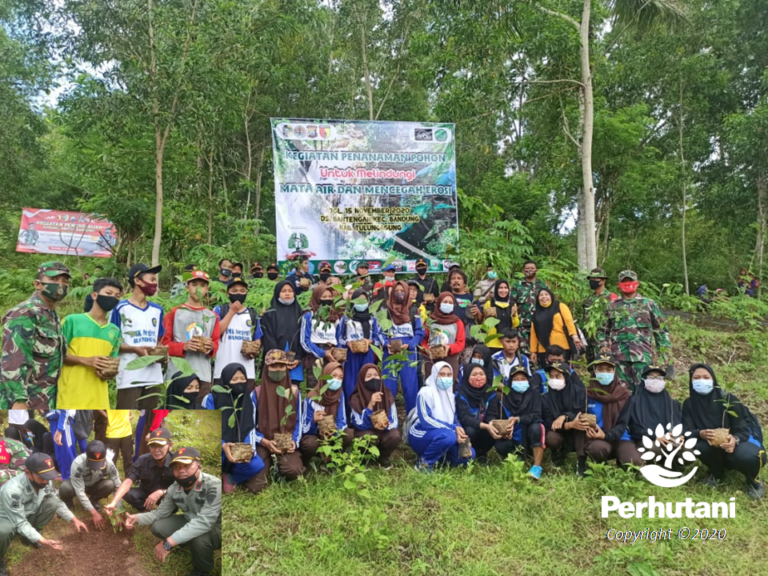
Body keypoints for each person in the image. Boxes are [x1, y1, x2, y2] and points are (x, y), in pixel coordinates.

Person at [124, 447, 221, 576]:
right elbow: (159, 513)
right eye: (176, 467)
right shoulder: (174, 488)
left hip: (216, 527)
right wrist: (136, 518)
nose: (181, 470)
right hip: (189, 520)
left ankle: (202, 570)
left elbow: (205, 522)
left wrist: (168, 543)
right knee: (158, 527)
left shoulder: (214, 485)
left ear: (199, 466)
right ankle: (184, 540)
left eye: (187, 465)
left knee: (200, 538)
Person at [683, 364, 766, 499]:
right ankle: (717, 473)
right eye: (696, 378)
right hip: (712, 446)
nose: (701, 381)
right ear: (691, 381)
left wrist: (734, 440)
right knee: (697, 445)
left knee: (747, 455)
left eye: (706, 377)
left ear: (713, 379)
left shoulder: (728, 400)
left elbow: (743, 429)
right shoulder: (689, 404)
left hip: (739, 444)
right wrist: (700, 433)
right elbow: (686, 431)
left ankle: (753, 482)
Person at [0, 452, 89, 573]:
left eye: (48, 477)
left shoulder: (45, 481)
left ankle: (30, 537)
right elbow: (19, 522)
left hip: (27, 514)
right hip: (8, 519)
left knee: (52, 503)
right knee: (3, 531)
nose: (46, 481)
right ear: (28, 473)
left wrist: (74, 519)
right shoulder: (12, 490)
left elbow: (57, 502)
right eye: (41, 477)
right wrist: (43, 540)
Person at [0, 262, 70, 410]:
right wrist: (19, 400)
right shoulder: (25, 312)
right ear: (38, 284)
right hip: (26, 401)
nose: (60, 285)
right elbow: (13, 361)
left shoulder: (51, 315)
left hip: (45, 399)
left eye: (65, 281)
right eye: (54, 280)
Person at [598, 270, 671, 391]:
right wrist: (604, 345)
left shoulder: (649, 304)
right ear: (619, 284)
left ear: (637, 283)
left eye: (630, 281)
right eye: (624, 282)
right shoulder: (612, 306)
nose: (628, 284)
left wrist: (663, 352)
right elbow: (602, 330)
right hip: (619, 357)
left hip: (642, 356)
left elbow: (661, 330)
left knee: (643, 390)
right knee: (621, 392)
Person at [58, 277, 122, 409]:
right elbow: (55, 355)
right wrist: (86, 360)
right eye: (108, 293)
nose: (113, 298)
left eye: (117, 296)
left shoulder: (114, 331)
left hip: (99, 399)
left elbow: (111, 362)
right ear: (94, 295)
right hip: (70, 395)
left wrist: (110, 372)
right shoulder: (72, 321)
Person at [246, 350, 305, 494]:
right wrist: (265, 442)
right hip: (264, 442)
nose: (278, 370)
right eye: (274, 367)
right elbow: (249, 426)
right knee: (255, 486)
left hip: (286, 441)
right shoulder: (256, 393)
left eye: (281, 366)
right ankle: (268, 463)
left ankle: (281, 465)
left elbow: (299, 422)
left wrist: (294, 442)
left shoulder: (294, 393)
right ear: (267, 369)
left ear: (286, 368)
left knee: (294, 470)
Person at [163, 270, 220, 406]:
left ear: (207, 289)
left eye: (202, 285)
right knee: (174, 413)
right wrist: (183, 346)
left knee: (199, 417)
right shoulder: (175, 312)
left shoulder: (212, 316)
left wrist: (211, 347)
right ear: (187, 287)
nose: (198, 289)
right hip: (177, 374)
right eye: (194, 284)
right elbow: (164, 344)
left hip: (202, 375)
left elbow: (216, 344)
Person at [112, 263, 165, 409]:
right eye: (152, 279)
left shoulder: (157, 310)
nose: (155, 283)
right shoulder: (120, 308)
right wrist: (136, 349)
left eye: (155, 280)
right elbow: (112, 342)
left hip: (153, 375)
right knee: (126, 412)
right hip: (130, 374)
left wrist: (161, 353)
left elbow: (159, 340)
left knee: (148, 415)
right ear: (137, 281)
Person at [207, 365, 265, 495]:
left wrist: (248, 449)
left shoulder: (248, 400)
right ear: (226, 381)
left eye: (242, 378)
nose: (239, 382)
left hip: (239, 447)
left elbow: (250, 427)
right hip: (219, 446)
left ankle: (231, 477)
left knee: (256, 464)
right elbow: (209, 428)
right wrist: (223, 445)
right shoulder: (212, 398)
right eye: (234, 379)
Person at [408, 362, 473, 471]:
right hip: (421, 433)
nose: (445, 378)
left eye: (449, 375)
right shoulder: (425, 392)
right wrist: (453, 429)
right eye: (441, 374)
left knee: (469, 455)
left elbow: (455, 420)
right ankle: (423, 464)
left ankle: (439, 459)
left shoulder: (451, 396)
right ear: (434, 375)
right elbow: (426, 420)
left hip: (444, 434)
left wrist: (462, 434)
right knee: (449, 437)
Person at [484, 366, 546, 479]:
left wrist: (518, 419)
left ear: (528, 380)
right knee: (501, 445)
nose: (520, 382)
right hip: (510, 436)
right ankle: (517, 459)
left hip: (528, 433)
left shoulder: (534, 394)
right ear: (510, 381)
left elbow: (537, 414)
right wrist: (500, 427)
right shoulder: (502, 397)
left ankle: (536, 466)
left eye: (523, 379)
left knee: (537, 428)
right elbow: (490, 416)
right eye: (516, 379)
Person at [583, 355, 637, 469]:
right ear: (594, 371)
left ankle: (621, 457)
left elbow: (623, 423)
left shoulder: (624, 395)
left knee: (634, 462)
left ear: (614, 372)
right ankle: (599, 464)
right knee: (597, 449)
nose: (604, 373)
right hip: (597, 437)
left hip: (620, 437)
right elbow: (584, 417)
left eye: (608, 370)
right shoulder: (588, 394)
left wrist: (607, 435)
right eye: (600, 369)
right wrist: (588, 431)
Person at [105, 427, 175, 513]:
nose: (156, 450)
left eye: (160, 446)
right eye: (152, 446)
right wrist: (113, 503)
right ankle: (146, 510)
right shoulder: (143, 460)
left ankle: (164, 512)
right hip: (146, 493)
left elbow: (181, 487)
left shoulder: (177, 463)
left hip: (167, 495)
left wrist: (161, 492)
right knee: (127, 493)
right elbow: (128, 482)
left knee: (175, 498)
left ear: (170, 446)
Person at [213, 275, 263, 391]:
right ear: (227, 293)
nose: (238, 294)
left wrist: (254, 349)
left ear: (246, 293)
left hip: (246, 371)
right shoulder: (220, 310)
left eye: (242, 291)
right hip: (222, 368)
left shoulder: (252, 313)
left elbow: (257, 339)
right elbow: (216, 332)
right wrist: (232, 312)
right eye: (234, 291)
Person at [58, 441, 122, 530]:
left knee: (110, 484)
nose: (96, 467)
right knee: (65, 488)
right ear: (86, 454)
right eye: (93, 464)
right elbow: (80, 491)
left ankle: (94, 500)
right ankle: (68, 504)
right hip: (79, 485)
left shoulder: (109, 463)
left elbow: (118, 486)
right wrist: (94, 513)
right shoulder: (78, 463)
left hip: (94, 485)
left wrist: (118, 510)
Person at [382, 281, 425, 415]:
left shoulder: (414, 310)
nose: (399, 293)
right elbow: (379, 331)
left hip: (408, 351)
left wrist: (411, 344)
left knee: (410, 386)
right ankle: (387, 419)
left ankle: (412, 419)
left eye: (402, 291)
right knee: (389, 385)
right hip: (390, 350)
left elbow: (420, 332)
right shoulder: (386, 311)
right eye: (397, 291)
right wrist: (385, 343)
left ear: (407, 293)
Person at [300, 363, 354, 467]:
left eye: (340, 377)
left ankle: (334, 459)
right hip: (315, 435)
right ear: (325, 375)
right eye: (333, 376)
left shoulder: (339, 394)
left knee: (348, 433)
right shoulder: (312, 398)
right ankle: (305, 462)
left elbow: (341, 419)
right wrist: (314, 421)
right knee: (310, 443)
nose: (337, 380)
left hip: (333, 434)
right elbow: (304, 428)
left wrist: (335, 431)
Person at [626, 366, 681, 466]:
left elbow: (677, 422)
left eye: (659, 378)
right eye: (651, 377)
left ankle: (673, 467)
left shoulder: (670, 401)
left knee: (684, 448)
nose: (655, 381)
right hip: (645, 439)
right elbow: (634, 427)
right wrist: (655, 436)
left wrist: (675, 435)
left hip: (667, 438)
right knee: (655, 449)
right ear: (644, 380)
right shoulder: (635, 400)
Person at [349, 364, 401, 469]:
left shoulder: (387, 394)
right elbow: (358, 424)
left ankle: (383, 457)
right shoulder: (356, 398)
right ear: (362, 379)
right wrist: (370, 405)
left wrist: (385, 426)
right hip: (366, 431)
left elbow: (394, 421)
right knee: (367, 437)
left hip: (384, 432)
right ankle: (364, 459)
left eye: (376, 375)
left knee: (395, 434)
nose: (373, 378)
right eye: (368, 376)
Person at [542, 362, 589, 475]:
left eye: (558, 376)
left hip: (577, 432)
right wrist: (568, 425)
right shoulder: (545, 398)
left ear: (566, 377)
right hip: (558, 431)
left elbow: (582, 411)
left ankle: (581, 461)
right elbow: (548, 422)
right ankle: (558, 454)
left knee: (581, 424)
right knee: (551, 437)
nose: (554, 380)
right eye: (552, 376)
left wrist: (565, 416)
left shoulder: (579, 392)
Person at [338, 290, 385, 401]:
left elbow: (377, 338)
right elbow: (339, 338)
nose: (361, 302)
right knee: (350, 383)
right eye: (358, 300)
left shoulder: (372, 318)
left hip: (367, 354)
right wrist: (348, 343)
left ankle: (367, 409)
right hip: (351, 355)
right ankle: (351, 412)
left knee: (368, 381)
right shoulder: (346, 318)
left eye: (364, 300)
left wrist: (369, 342)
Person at [260, 281, 304, 384]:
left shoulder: (300, 313)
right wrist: (279, 359)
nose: (287, 293)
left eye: (290, 291)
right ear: (277, 293)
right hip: (275, 360)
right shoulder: (269, 313)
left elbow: (302, 336)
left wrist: (298, 358)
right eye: (283, 291)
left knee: (293, 391)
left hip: (295, 360)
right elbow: (268, 338)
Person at [300, 285, 342, 389]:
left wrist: (337, 353)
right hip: (315, 355)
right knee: (316, 386)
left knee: (332, 386)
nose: (327, 299)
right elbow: (304, 341)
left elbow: (338, 337)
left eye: (329, 296)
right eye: (324, 296)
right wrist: (322, 353)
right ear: (317, 297)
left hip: (332, 354)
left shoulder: (334, 315)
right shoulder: (309, 315)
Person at [455, 362, 497, 464]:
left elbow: (492, 413)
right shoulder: (461, 393)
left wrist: (491, 423)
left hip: (484, 427)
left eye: (481, 374)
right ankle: (471, 452)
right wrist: (485, 426)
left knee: (494, 429)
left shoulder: (490, 392)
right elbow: (464, 418)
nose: (478, 378)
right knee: (470, 431)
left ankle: (482, 453)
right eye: (474, 375)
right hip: (468, 428)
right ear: (467, 376)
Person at [423, 293, 466, 387]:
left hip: (450, 358)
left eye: (450, 302)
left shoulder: (457, 322)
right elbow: (424, 339)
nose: (448, 304)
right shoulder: (430, 320)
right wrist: (426, 349)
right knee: (432, 383)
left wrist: (449, 348)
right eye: (445, 302)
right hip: (431, 358)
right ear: (438, 303)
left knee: (449, 385)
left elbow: (461, 342)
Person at [530, 288, 582, 364]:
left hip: (562, 347)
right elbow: (534, 333)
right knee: (547, 372)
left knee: (563, 371)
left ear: (551, 296)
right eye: (541, 295)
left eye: (546, 294)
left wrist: (575, 337)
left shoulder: (560, 306)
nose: (544, 297)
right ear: (538, 298)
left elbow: (569, 322)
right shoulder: (536, 314)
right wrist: (533, 351)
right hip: (544, 348)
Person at [581, 267, 617, 363]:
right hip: (589, 339)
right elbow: (584, 319)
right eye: (591, 279)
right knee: (591, 366)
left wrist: (610, 340)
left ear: (603, 280)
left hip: (604, 340)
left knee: (603, 366)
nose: (592, 281)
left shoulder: (612, 298)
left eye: (595, 279)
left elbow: (615, 321)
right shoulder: (589, 299)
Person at [511, 260, 548, 351]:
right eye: (527, 269)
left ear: (536, 270)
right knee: (523, 350)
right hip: (522, 324)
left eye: (532, 268)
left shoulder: (542, 285)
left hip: (539, 323)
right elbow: (512, 302)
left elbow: (548, 303)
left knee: (539, 348)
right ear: (523, 271)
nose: (530, 271)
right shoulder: (517, 285)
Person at [476, 279, 519, 349]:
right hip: (492, 342)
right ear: (496, 289)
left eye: (505, 288)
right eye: (500, 288)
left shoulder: (512, 304)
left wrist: (513, 315)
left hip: (508, 343)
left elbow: (516, 324)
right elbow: (486, 325)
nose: (503, 290)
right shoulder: (489, 304)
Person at [49, 410, 77, 480]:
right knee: (60, 454)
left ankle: (70, 480)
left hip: (62, 422)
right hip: (56, 420)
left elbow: (65, 409)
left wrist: (60, 429)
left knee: (66, 454)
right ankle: (65, 477)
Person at [106, 410, 133, 478]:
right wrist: (106, 416)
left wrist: (131, 414)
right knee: (111, 458)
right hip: (112, 432)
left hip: (126, 432)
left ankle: (129, 478)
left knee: (128, 457)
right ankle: (111, 478)